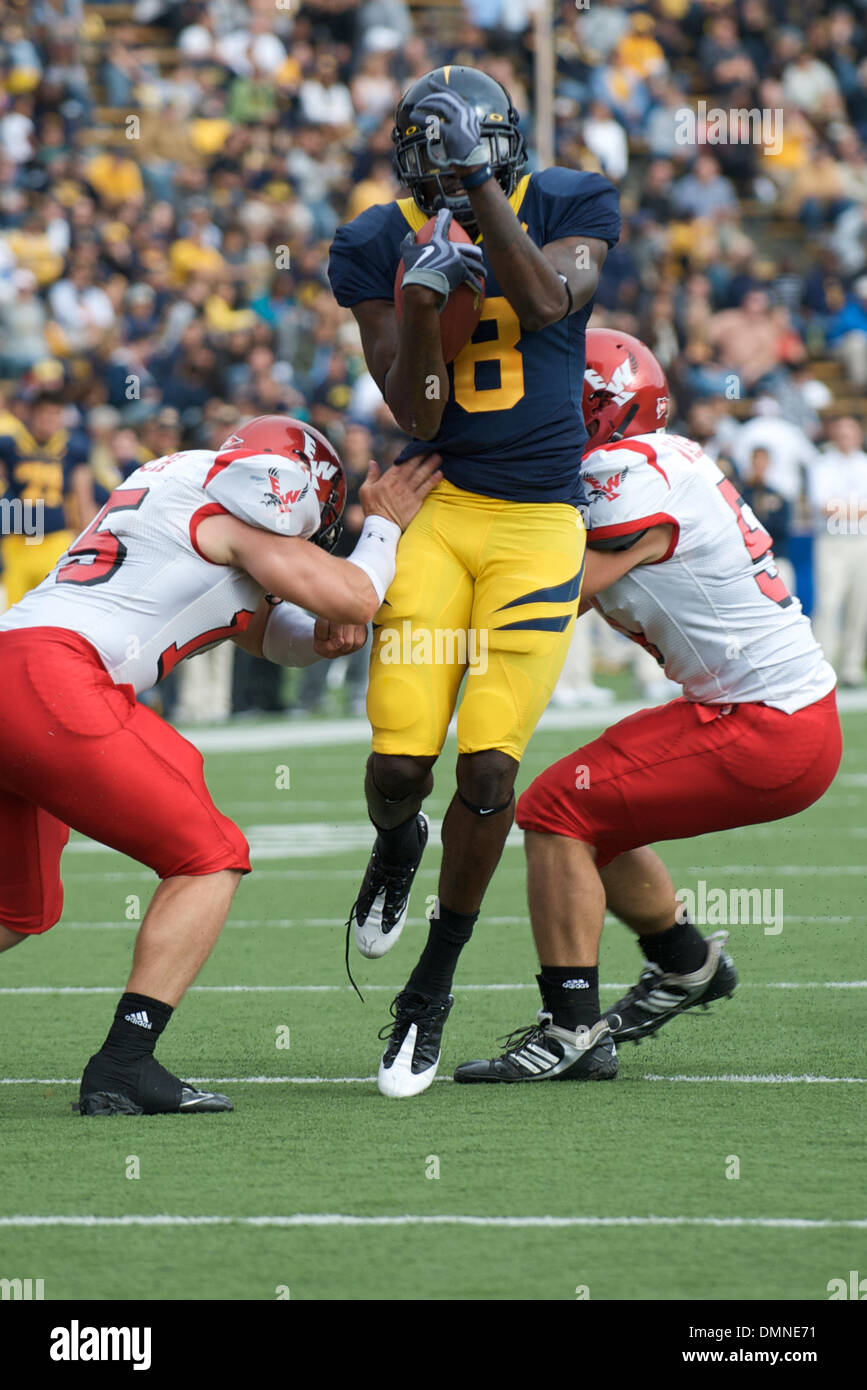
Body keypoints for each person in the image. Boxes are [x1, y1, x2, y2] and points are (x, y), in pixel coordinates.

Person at [0, 414, 441, 1116]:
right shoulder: (242, 507)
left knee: (18, 908)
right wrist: (382, 524)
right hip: (54, 679)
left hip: (20, 664)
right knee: (209, 857)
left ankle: (124, 1066)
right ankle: (123, 1065)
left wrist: (317, 636)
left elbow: (260, 630)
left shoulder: (180, 482)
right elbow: (357, 594)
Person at [328, 64, 620, 1097]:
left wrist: (481, 193)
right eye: (440, 157)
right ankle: (394, 842)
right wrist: (420, 302)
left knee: (491, 769)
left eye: (471, 152)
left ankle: (432, 983)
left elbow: (543, 300)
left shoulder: (572, 199)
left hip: (538, 523)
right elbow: (415, 410)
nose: (451, 170)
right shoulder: (374, 237)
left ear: (503, 148)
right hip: (441, 511)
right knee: (399, 764)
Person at [455, 330, 841, 1083]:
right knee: (588, 811)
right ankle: (685, 963)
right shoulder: (656, 459)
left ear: (597, 409)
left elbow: (549, 594)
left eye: (552, 400)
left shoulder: (623, 472)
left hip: (765, 724)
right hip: (764, 708)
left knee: (554, 810)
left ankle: (571, 1031)